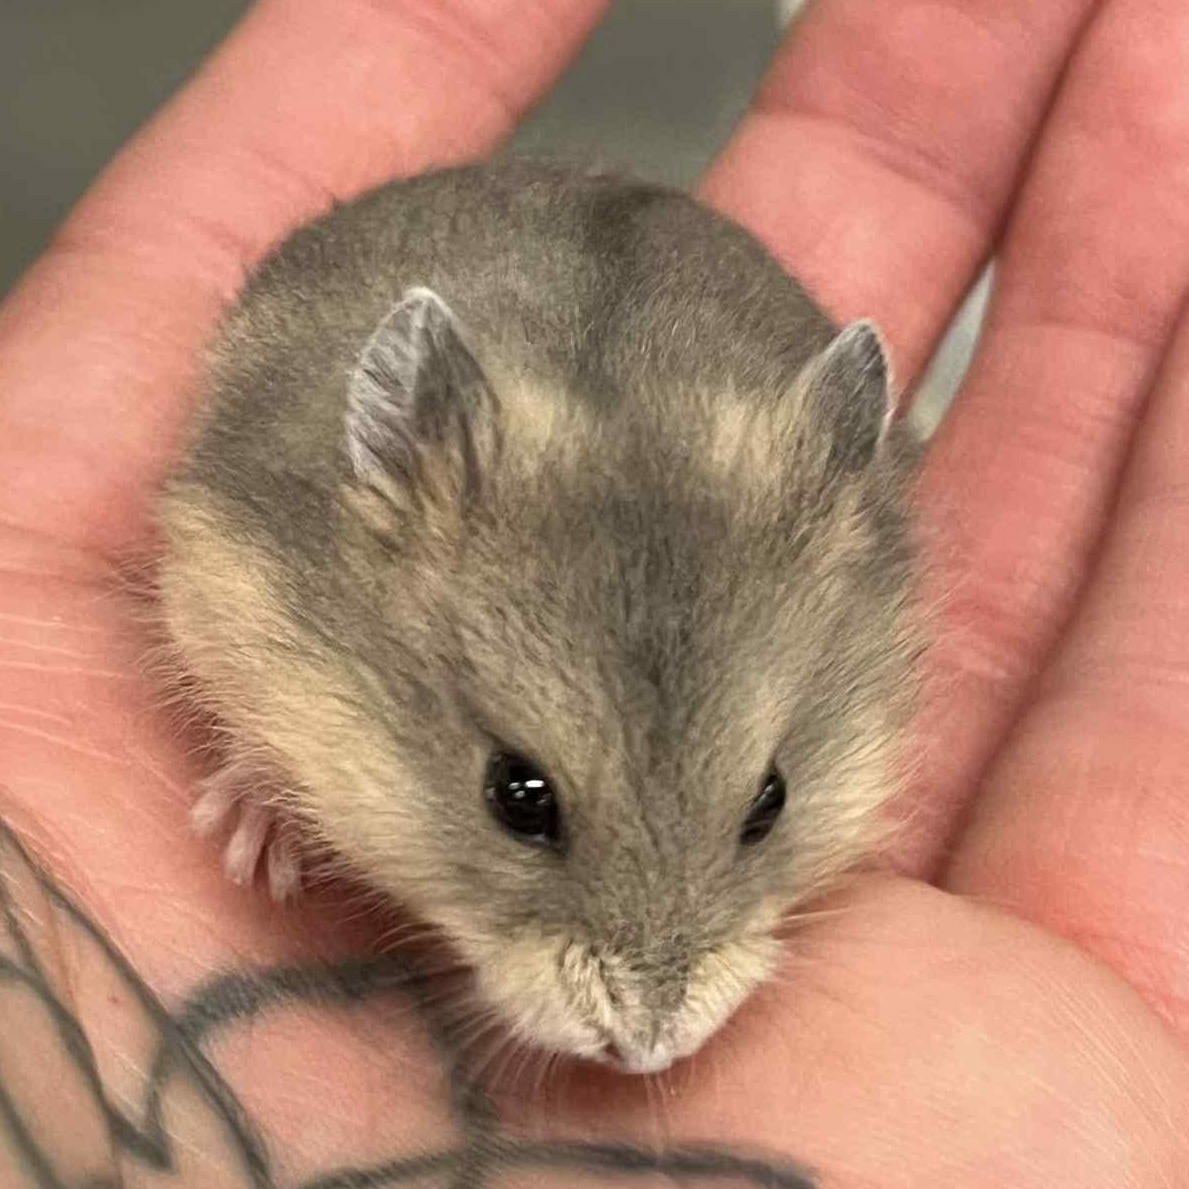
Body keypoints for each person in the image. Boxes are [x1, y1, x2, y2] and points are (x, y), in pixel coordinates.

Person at [1, 1, 1187, 1184]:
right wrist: (264, 763)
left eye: (758, 805)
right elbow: (224, 544)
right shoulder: (314, 539)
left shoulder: (826, 569)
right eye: (525, 798)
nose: (652, 1016)